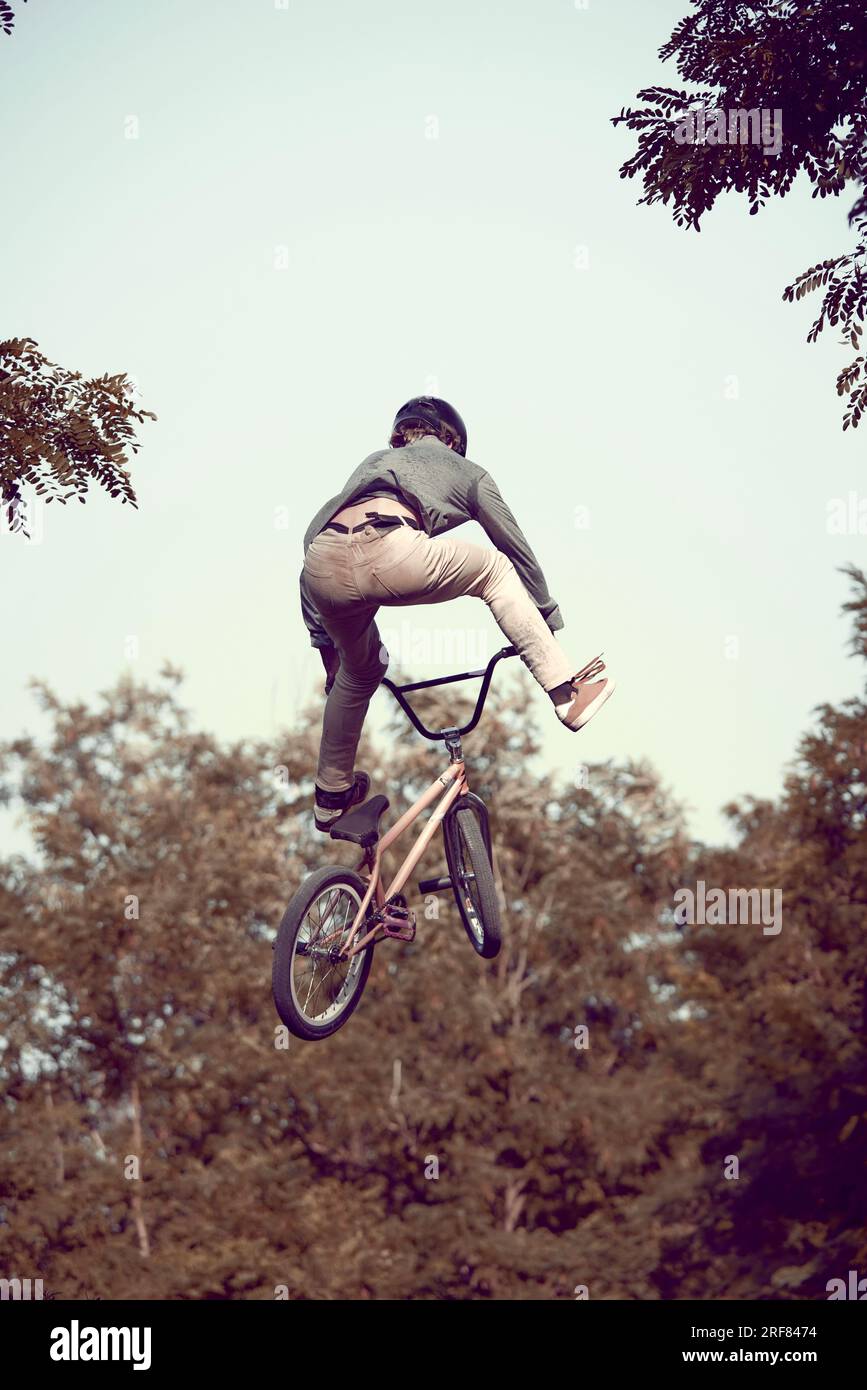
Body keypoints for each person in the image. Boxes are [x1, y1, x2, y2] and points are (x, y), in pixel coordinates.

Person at [300, 396, 615, 831]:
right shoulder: (468, 472)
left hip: (321, 560)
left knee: (358, 672)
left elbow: (314, 547)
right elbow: (515, 550)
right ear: (452, 441)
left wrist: (327, 655)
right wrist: (546, 621)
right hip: (391, 548)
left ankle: (331, 795)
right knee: (495, 570)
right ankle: (566, 695)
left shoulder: (375, 462)